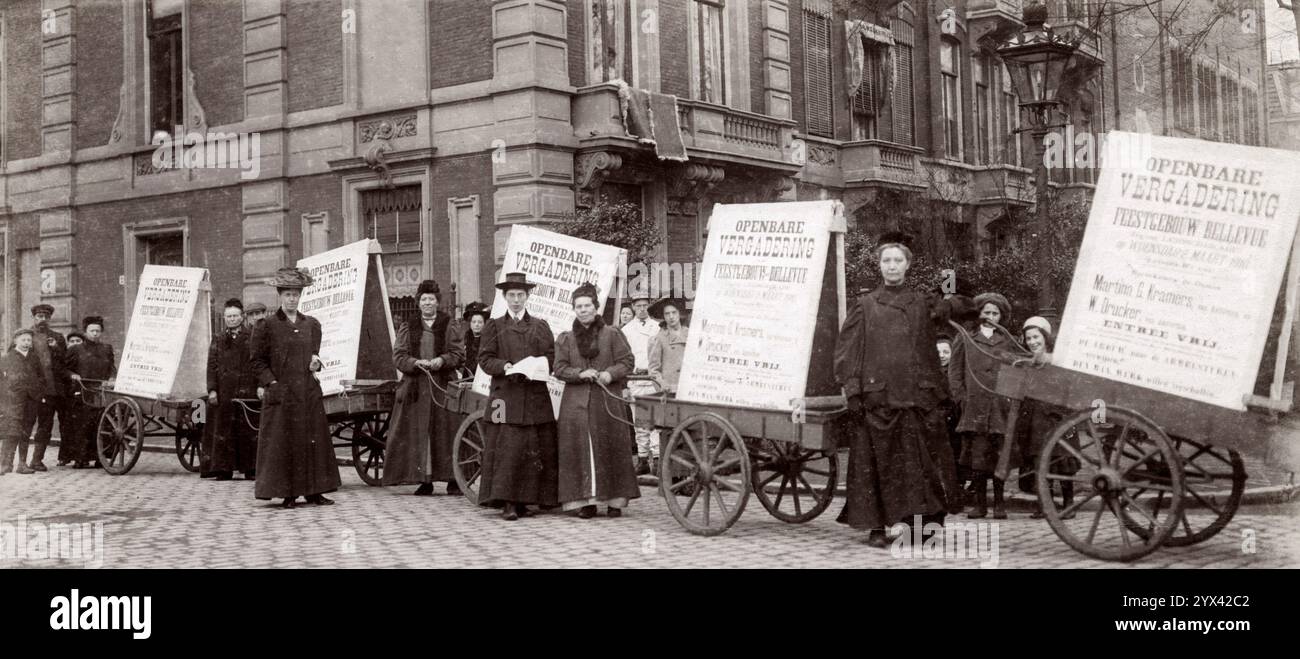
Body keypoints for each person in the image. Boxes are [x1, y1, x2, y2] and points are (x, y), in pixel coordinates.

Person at [833, 240, 959, 548]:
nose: (891, 266)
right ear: (879, 265)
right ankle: (876, 526)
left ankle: (916, 525)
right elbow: (845, 352)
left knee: (915, 465)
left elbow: (961, 307)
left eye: (897, 260)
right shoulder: (866, 304)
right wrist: (853, 391)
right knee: (874, 464)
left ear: (907, 265)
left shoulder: (921, 303)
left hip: (914, 398)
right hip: (877, 399)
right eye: (886, 260)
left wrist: (950, 302)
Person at [250, 267, 341, 509]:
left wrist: (315, 362)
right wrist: (273, 383)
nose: (292, 299)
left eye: (296, 295)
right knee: (285, 443)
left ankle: (315, 492)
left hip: (307, 394)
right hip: (283, 395)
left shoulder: (311, 324)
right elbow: (257, 362)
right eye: (288, 295)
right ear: (279, 296)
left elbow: (315, 355)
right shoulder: (267, 326)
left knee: (314, 442)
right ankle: (288, 493)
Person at [476, 272, 559, 520]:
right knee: (507, 447)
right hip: (504, 397)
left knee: (533, 446)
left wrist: (540, 366)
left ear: (527, 296)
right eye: (511, 295)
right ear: (504, 297)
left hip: (534, 395)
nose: (515, 300)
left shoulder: (540, 326)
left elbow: (552, 356)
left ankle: (526, 500)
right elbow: (484, 359)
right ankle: (508, 502)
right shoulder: (495, 326)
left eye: (520, 295)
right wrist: (506, 367)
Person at [553, 283, 639, 518]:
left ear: (596, 307)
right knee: (580, 450)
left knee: (611, 447)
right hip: (576, 404)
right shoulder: (566, 338)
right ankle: (586, 502)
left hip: (606, 401)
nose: (583, 310)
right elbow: (559, 368)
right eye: (578, 306)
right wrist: (579, 374)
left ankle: (614, 501)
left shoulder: (611, 334)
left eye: (587, 305)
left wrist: (610, 373)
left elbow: (627, 361)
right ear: (574, 309)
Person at [384, 280, 466, 496]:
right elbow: (398, 356)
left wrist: (442, 360)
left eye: (431, 299)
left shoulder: (449, 324)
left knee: (448, 432)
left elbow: (458, 354)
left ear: (437, 302)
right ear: (418, 303)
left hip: (443, 387)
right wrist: (415, 363)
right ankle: (424, 480)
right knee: (420, 434)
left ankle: (453, 479)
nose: (428, 303)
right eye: (424, 299)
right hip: (416, 389)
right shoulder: (408, 326)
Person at [949, 292, 1015, 519]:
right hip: (974, 407)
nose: (990, 316)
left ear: (1001, 316)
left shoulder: (1007, 340)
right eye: (986, 312)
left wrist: (1008, 399)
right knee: (977, 457)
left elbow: (1016, 371)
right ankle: (979, 504)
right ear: (978, 314)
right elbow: (954, 371)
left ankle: (999, 503)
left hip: (999, 408)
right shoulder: (966, 337)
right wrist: (961, 397)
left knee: (998, 456)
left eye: (995, 313)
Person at [1013, 317, 1075, 519]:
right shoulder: (1026, 363)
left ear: (1045, 338)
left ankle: (1069, 503)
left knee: (1062, 460)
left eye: (1036, 337)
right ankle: (1044, 504)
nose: (1032, 342)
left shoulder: (1057, 359)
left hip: (1056, 416)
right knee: (1039, 460)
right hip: (1034, 420)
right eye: (1028, 338)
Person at [205, 300, 259, 481]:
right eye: (229, 316)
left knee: (248, 430)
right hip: (225, 392)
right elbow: (211, 366)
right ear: (225, 317)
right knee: (224, 430)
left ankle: (251, 468)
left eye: (235, 316)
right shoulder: (219, 339)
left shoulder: (252, 336)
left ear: (242, 316)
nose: (232, 319)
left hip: (246, 390)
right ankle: (223, 468)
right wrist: (212, 390)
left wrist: (259, 386)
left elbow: (258, 363)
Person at [66, 316, 115, 469]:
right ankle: (81, 458)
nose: (95, 334)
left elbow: (112, 367)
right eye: (92, 331)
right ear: (85, 332)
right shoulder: (76, 349)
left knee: (102, 424)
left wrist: (112, 377)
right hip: (83, 391)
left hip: (101, 391)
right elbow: (63, 368)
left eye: (98, 331)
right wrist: (72, 375)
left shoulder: (107, 348)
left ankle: (101, 457)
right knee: (83, 424)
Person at [621, 295, 660, 474]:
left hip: (653, 379)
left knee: (655, 419)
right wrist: (625, 384)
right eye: (639, 306)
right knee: (639, 421)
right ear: (633, 307)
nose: (642, 309)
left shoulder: (657, 327)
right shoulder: (627, 330)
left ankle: (657, 459)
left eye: (645, 305)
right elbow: (623, 357)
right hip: (635, 378)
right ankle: (643, 459)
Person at [30, 304, 69, 471]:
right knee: (42, 425)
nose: (43, 319)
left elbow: (66, 361)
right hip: (39, 389)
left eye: (46, 316)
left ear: (50, 319)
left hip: (57, 389)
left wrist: (56, 348)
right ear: (34, 317)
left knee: (64, 423)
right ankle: (35, 460)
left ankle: (64, 457)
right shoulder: (27, 336)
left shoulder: (58, 337)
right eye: (39, 316)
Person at [0, 329, 44, 475]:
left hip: (31, 400)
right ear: (15, 341)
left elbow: (41, 377)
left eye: (29, 340)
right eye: (23, 340)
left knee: (26, 432)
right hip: (13, 401)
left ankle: (22, 464)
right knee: (11, 431)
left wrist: (38, 393)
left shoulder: (34, 358)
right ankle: (5, 464)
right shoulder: (7, 358)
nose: (26, 343)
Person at [647, 298, 689, 395]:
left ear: (680, 313)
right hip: (670, 390)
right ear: (664, 317)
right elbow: (653, 370)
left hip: (689, 389)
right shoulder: (659, 338)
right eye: (667, 314)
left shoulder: (691, 334)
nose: (671, 317)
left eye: (674, 312)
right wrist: (662, 384)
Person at [460, 301, 489, 378]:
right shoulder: (465, 339)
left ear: (484, 323)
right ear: (470, 323)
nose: (476, 325)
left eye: (480, 322)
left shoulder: (488, 340)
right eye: (474, 322)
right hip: (466, 377)